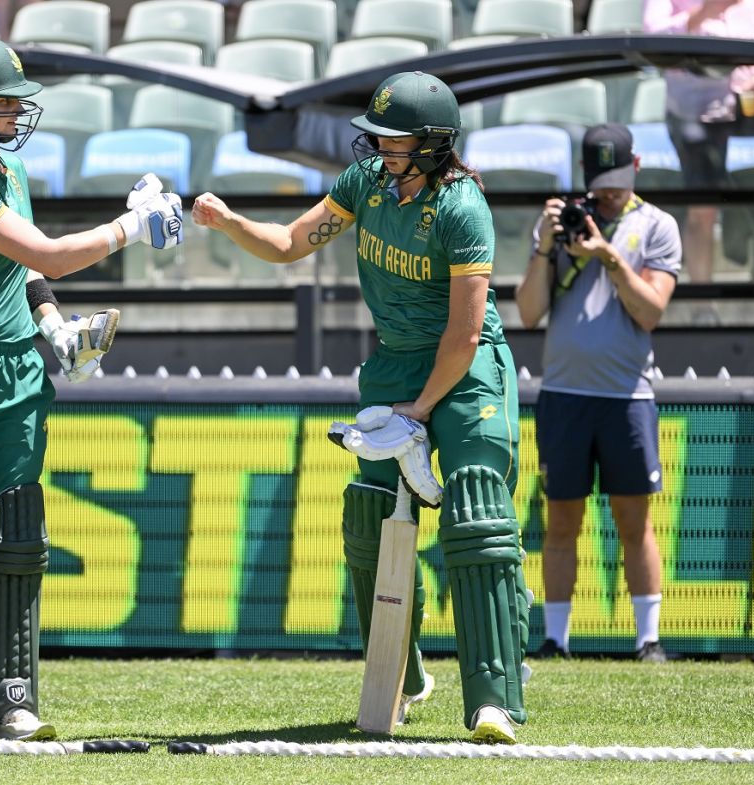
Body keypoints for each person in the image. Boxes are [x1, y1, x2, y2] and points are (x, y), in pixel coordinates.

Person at [193, 71, 530, 744]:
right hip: (394, 363)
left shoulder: (463, 208)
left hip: (465, 371)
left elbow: (464, 336)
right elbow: (290, 244)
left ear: (432, 143)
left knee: (476, 507)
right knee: (370, 513)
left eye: (393, 139)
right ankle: (398, 676)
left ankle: (494, 700)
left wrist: (419, 412)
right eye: (376, 136)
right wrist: (228, 222)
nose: (379, 148)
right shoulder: (366, 183)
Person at [0, 36, 183, 740]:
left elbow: (26, 270)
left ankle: (11, 700)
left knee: (16, 533)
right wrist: (131, 226)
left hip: (18, 366)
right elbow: (49, 252)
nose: (18, 111)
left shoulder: (7, 170)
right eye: (3, 101)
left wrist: (55, 330)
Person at [516, 123, 681, 664]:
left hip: (627, 397)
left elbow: (651, 312)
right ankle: (555, 640)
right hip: (563, 394)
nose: (607, 194)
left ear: (636, 167)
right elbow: (529, 311)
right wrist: (546, 247)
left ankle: (647, 640)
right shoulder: (561, 221)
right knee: (561, 520)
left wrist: (608, 255)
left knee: (634, 521)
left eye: (616, 182)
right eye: (599, 183)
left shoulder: (657, 225)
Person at [644, 0, 754, 286]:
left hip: (747, 99)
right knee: (703, 208)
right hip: (695, 110)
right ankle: (702, 302)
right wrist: (705, 12)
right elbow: (653, 39)